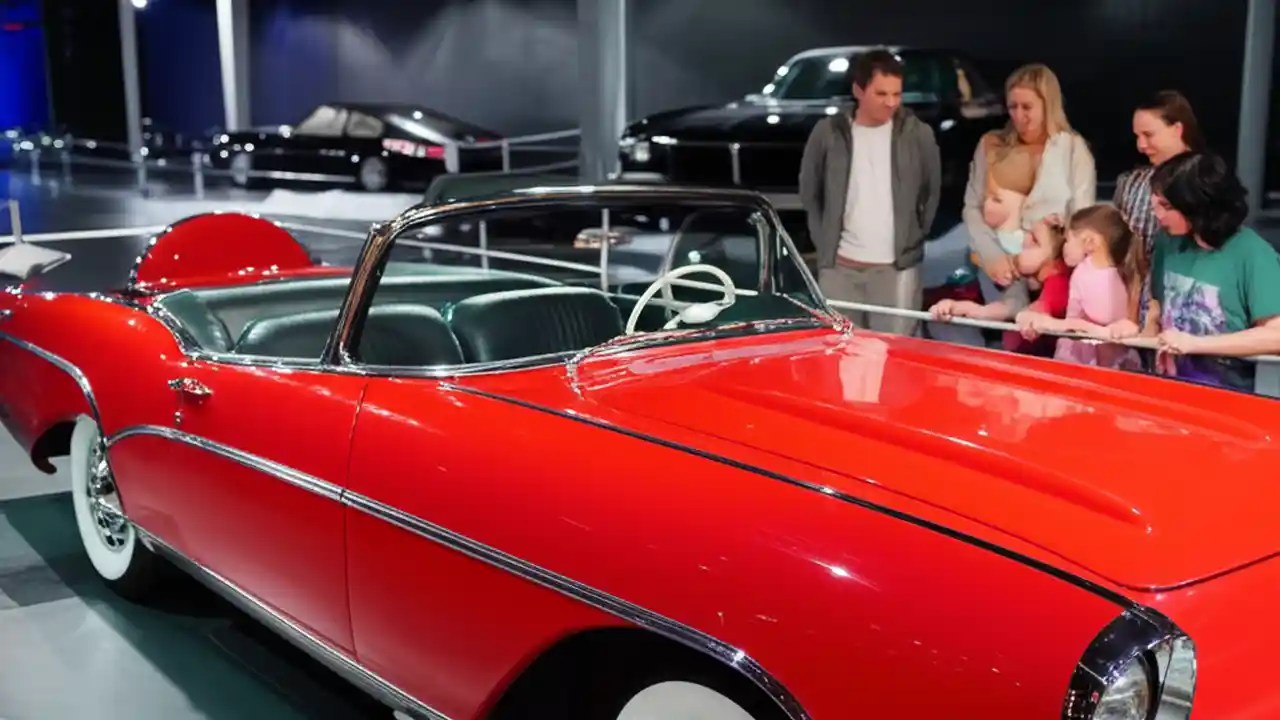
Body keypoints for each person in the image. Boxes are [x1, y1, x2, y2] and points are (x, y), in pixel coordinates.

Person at [798, 48, 942, 336]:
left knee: (894, 356)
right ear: (858, 90)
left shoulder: (918, 135)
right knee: (839, 354)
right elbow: (810, 191)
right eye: (881, 94)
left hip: (895, 269)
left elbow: (931, 191)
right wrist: (825, 243)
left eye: (897, 94)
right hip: (839, 269)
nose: (891, 103)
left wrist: (912, 241)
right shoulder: (828, 133)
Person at [1113, 151, 1280, 392]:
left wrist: (1196, 344)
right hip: (1170, 388)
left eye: (1167, 206)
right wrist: (1138, 332)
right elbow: (1159, 307)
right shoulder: (1168, 242)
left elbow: (1275, 335)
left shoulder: (1252, 254)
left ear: (1197, 205)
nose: (1157, 215)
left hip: (1228, 396)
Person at [962, 63, 1096, 316]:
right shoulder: (990, 145)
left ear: (1049, 105)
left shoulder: (1073, 149)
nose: (1018, 116)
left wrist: (1053, 261)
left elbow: (1083, 218)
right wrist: (991, 255)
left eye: (1027, 107)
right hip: (998, 269)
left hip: (1053, 274)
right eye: (1013, 107)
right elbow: (972, 207)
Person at [1113, 90, 1206, 333]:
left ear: (1177, 129)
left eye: (1149, 135)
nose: (1141, 145)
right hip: (1131, 306)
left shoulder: (1206, 181)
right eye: (1137, 136)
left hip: (1186, 308)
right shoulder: (1131, 182)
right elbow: (1125, 252)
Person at [1016, 205, 1143, 370]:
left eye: (1068, 240)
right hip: (1089, 357)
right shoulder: (1091, 272)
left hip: (1097, 362)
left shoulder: (1100, 274)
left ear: (1090, 242)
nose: (1064, 247)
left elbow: (1099, 320)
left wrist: (1049, 324)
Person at [929, 217, 1069, 357]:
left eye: (1035, 241)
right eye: (1028, 233)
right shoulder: (1026, 283)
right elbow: (995, 310)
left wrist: (1030, 314)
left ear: (1056, 266)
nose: (1024, 239)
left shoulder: (1058, 284)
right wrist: (954, 307)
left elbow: (1040, 308)